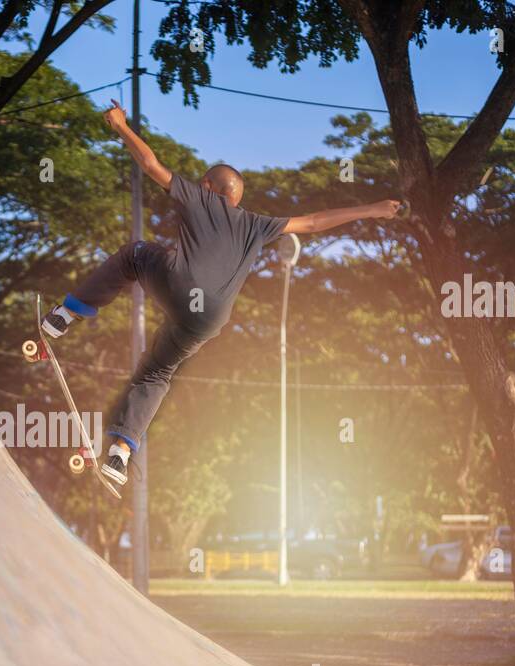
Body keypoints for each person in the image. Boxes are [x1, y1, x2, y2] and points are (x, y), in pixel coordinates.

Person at [43, 99, 403, 486]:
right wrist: (376, 209)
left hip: (180, 283)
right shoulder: (256, 224)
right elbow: (315, 222)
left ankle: (66, 315)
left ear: (208, 186)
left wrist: (120, 127)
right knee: (158, 373)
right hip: (210, 320)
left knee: (134, 254)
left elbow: (150, 165)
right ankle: (120, 455)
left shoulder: (201, 197)